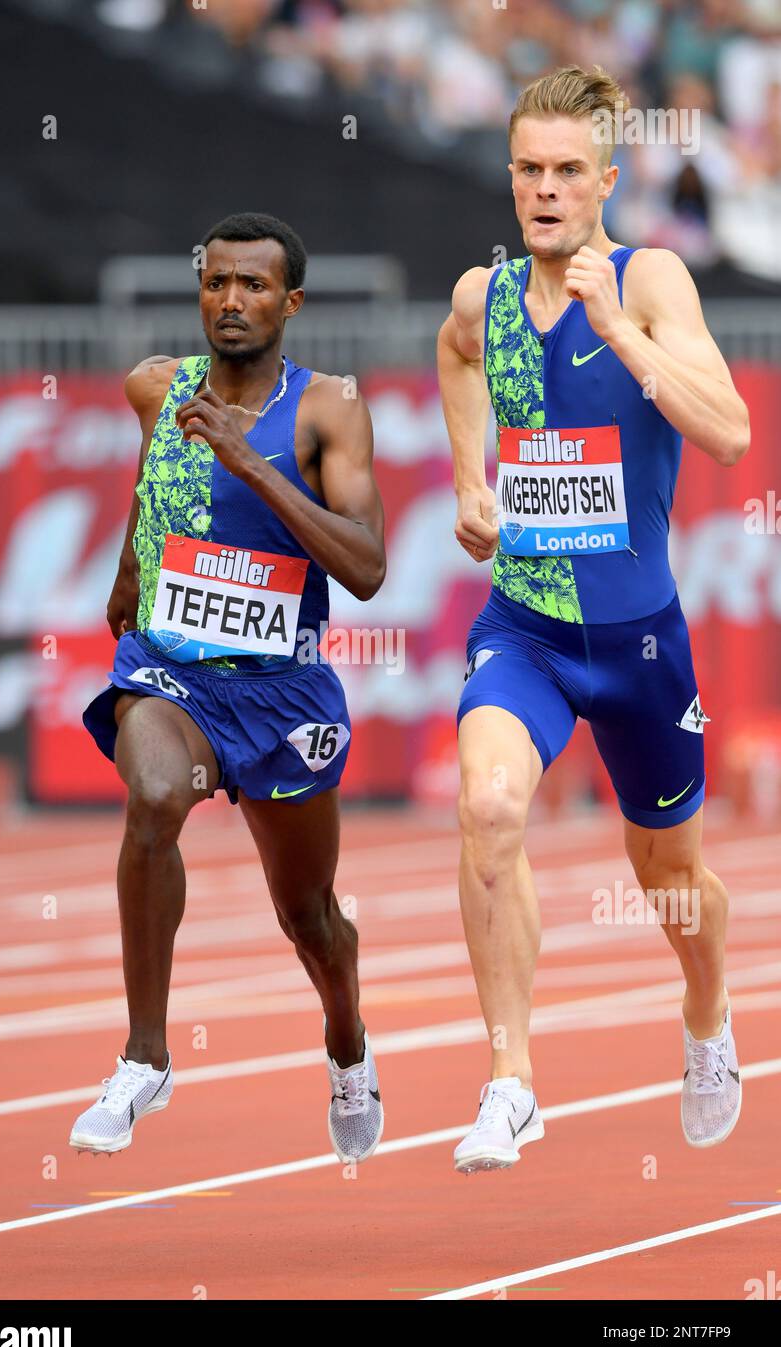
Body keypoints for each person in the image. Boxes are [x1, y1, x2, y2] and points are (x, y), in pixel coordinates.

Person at [437, 66, 750, 1174]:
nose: (546, 190)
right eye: (529, 169)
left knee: (669, 873)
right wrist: (473, 480)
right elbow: (455, 352)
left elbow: (729, 433)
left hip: (640, 644)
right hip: (522, 628)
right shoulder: (485, 295)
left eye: (570, 170)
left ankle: (708, 1014)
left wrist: (624, 332)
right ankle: (511, 1077)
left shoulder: (651, 278)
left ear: (607, 178)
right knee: (486, 806)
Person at [72, 212, 386, 1163]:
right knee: (157, 797)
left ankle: (346, 1045)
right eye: (216, 284)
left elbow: (367, 566)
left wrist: (250, 462)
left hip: (283, 696)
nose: (231, 302)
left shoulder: (328, 408)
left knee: (312, 920)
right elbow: (152, 481)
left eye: (253, 287)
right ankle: (145, 1057)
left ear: (290, 302)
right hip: (173, 667)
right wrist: (130, 568)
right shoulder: (154, 389)